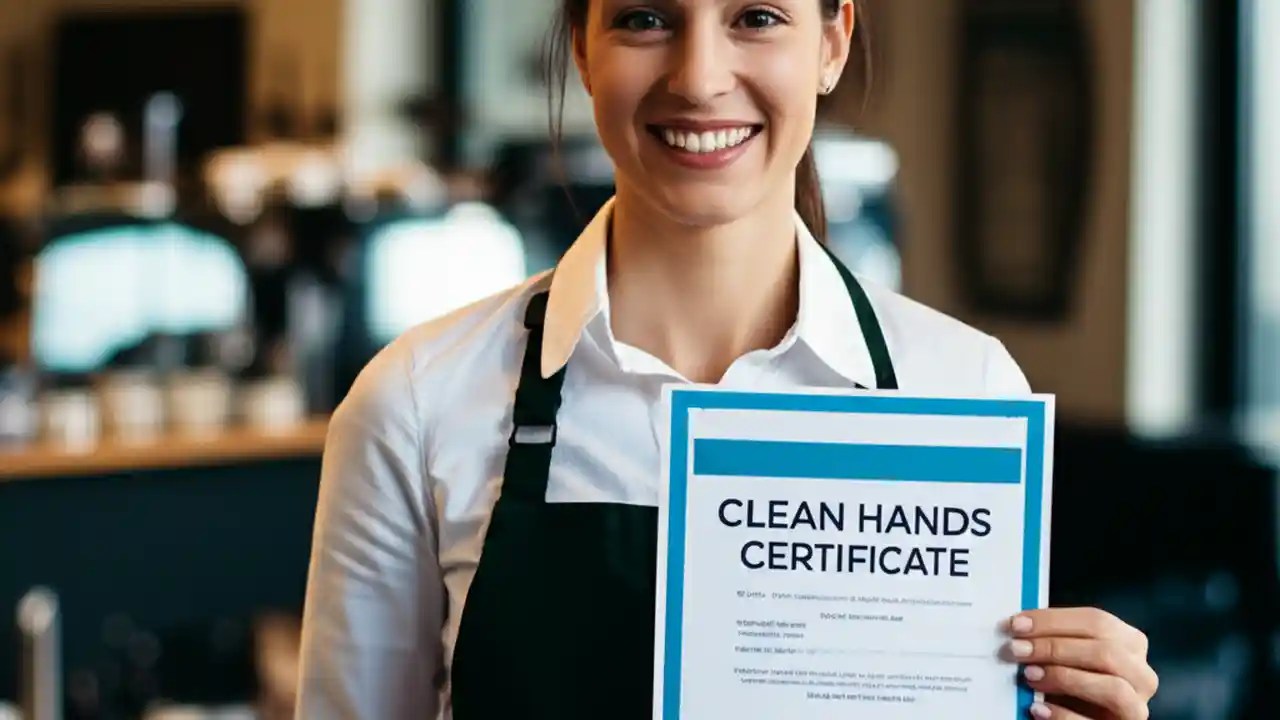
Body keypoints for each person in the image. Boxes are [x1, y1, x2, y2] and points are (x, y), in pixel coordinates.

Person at [294, 1, 1159, 718]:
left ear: (831, 41)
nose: (700, 78)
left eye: (754, 17)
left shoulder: (965, 392)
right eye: (644, 18)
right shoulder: (414, 405)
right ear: (583, 50)